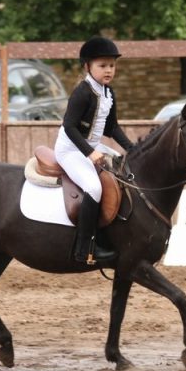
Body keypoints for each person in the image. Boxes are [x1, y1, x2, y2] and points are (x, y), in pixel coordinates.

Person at [55, 36, 134, 264]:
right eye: (102, 65)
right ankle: (84, 248)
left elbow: (112, 127)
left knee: (124, 167)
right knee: (93, 187)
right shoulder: (83, 92)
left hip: (92, 144)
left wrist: (131, 149)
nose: (108, 70)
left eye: (112, 65)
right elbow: (69, 127)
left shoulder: (109, 93)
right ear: (87, 66)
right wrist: (90, 154)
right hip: (70, 148)